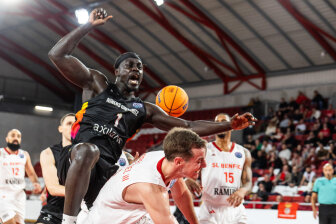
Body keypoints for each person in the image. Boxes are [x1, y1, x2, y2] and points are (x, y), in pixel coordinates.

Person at [48, 8, 257, 223]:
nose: (136, 70)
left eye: (139, 68)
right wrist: (88, 26)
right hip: (76, 158)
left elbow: (189, 126)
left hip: (107, 171)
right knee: (88, 150)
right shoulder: (98, 84)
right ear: (117, 70)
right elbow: (57, 55)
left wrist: (230, 124)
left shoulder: (143, 109)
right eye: (130, 66)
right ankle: (68, 221)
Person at [78, 127, 206, 224]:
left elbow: (181, 194)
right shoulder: (150, 187)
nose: (204, 165)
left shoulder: (166, 159)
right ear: (179, 161)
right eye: (199, 161)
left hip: (123, 215)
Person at [185, 113, 252, 224]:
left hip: (235, 210)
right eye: (217, 124)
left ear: (232, 125)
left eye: (223, 123)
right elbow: (187, 173)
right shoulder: (204, 149)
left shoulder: (244, 152)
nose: (220, 126)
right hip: (209, 210)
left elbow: (248, 182)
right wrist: (186, 180)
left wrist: (242, 191)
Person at [36, 113, 75, 224]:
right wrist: (84, 193)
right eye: (69, 123)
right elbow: (53, 188)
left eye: (75, 124)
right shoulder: (48, 153)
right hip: (54, 211)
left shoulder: (89, 152)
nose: (72, 126)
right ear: (60, 128)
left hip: (81, 212)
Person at [0, 129, 42, 224]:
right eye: (13, 135)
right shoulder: (1, 153)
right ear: (7, 139)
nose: (16, 138)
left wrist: (36, 183)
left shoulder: (24, 154)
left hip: (19, 196)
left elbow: (31, 173)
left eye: (18, 136)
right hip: (3, 195)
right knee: (9, 222)